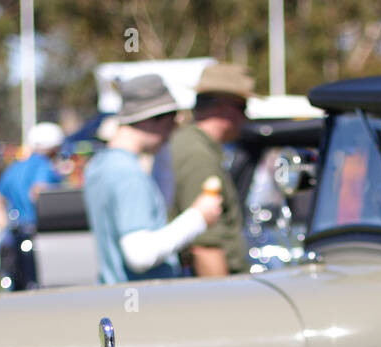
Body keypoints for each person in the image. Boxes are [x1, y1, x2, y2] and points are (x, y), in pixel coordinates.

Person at [84, 74, 222, 285]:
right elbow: (140, 255)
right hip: (144, 305)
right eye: (170, 122)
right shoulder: (128, 174)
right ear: (151, 118)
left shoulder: (99, 165)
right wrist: (199, 217)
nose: (171, 133)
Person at [171, 62, 255, 276]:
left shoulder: (196, 146)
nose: (246, 118)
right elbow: (206, 247)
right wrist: (224, 303)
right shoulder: (198, 155)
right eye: (242, 107)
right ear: (223, 107)